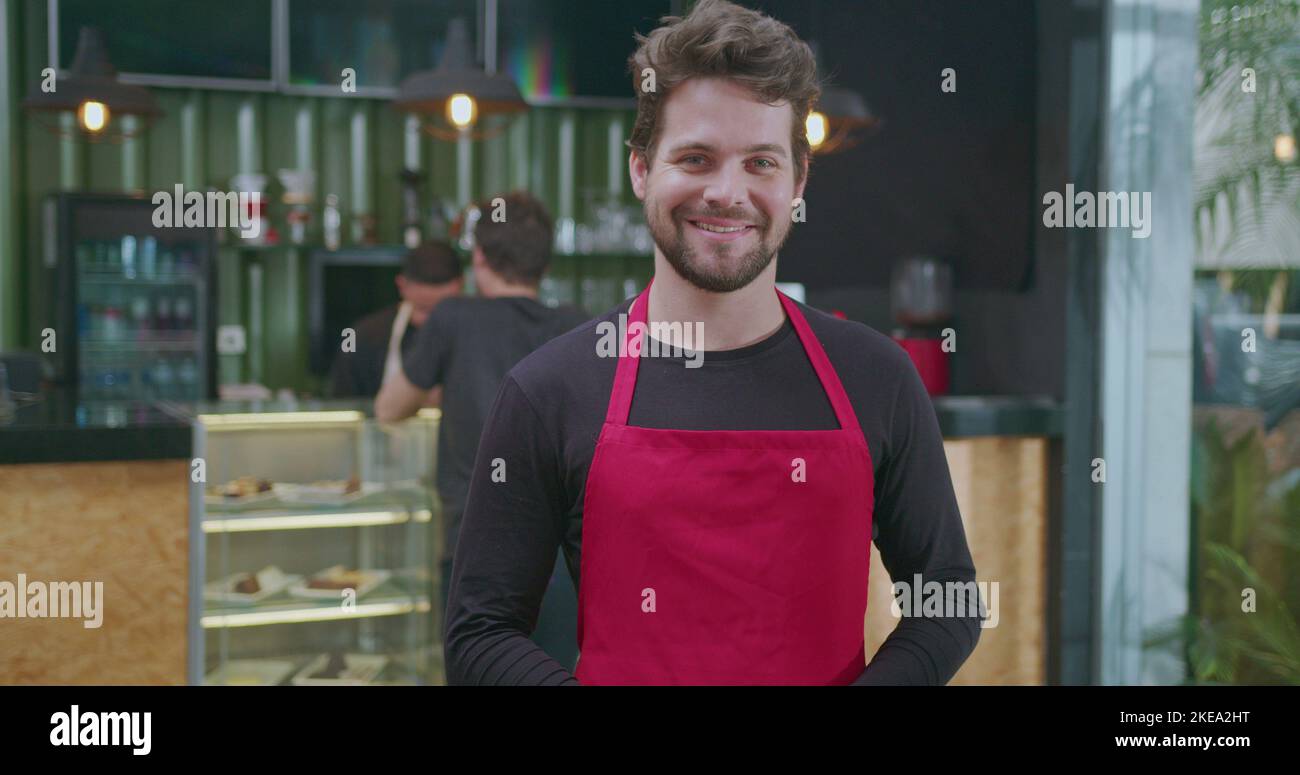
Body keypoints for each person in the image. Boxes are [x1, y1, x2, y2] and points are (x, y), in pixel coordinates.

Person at [444, 0, 982, 685]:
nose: (727, 192)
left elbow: (950, 599)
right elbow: (479, 632)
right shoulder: (548, 389)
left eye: (760, 162)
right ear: (642, 168)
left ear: (797, 181)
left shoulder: (877, 377)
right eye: (696, 157)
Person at [374, 192, 589, 666]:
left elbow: (388, 408)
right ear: (545, 261)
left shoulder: (453, 317)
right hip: (562, 560)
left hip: (472, 548)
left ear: (478, 257)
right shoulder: (576, 325)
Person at [328, 241, 463, 399]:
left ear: (460, 286)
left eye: (441, 311)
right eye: (423, 309)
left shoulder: (480, 337)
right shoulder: (363, 336)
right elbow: (344, 404)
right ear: (402, 286)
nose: (432, 321)